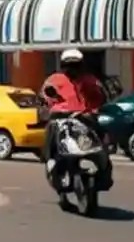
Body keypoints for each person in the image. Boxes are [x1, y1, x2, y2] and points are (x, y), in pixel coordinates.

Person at [41, 48, 112, 191]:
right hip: (61, 117)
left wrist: (97, 107)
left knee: (101, 138)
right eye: (69, 65)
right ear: (62, 65)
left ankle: (104, 171)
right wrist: (48, 106)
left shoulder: (90, 80)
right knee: (51, 129)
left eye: (76, 65)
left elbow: (101, 95)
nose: (72, 69)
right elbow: (44, 96)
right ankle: (49, 159)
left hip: (84, 117)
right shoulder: (54, 80)